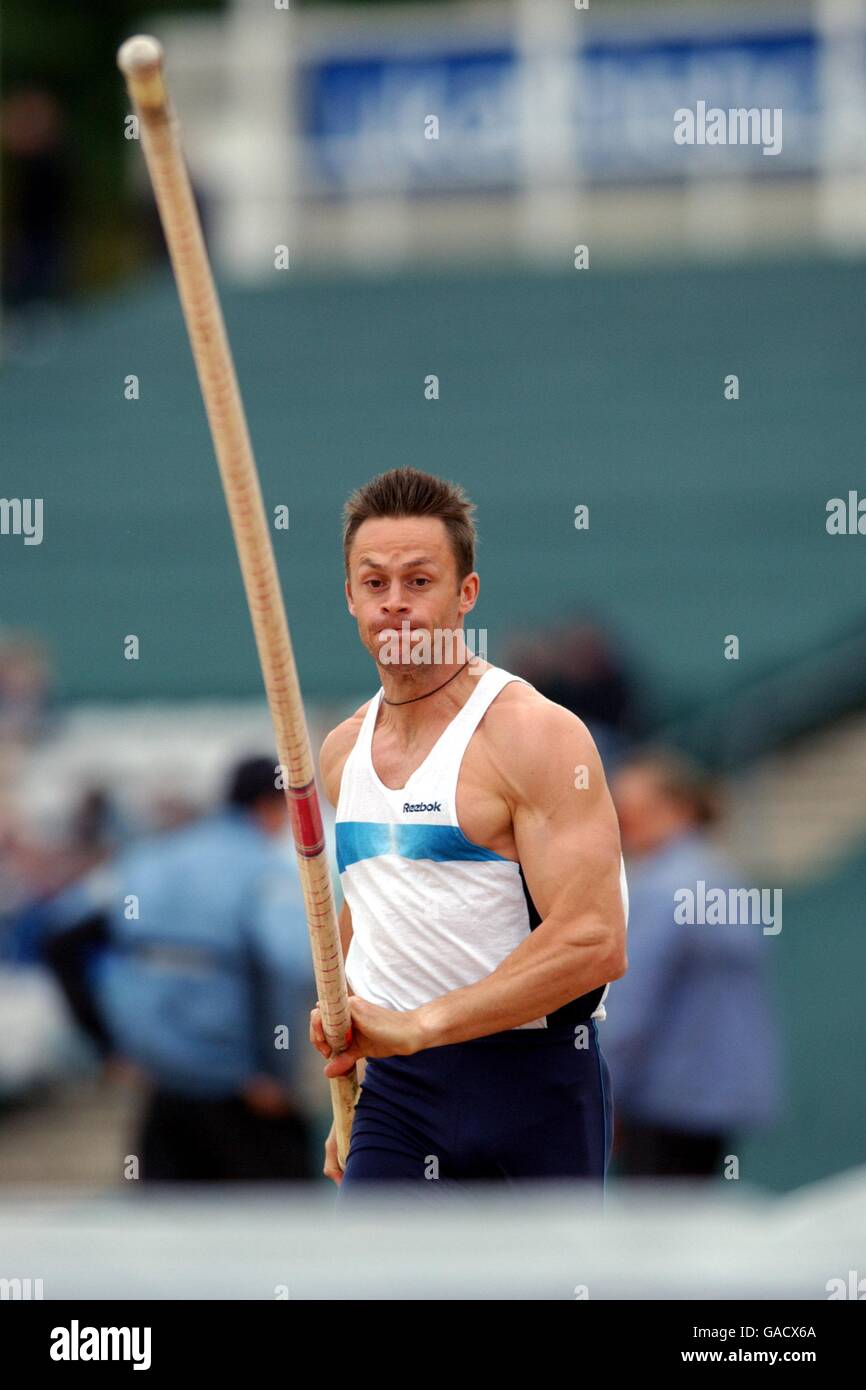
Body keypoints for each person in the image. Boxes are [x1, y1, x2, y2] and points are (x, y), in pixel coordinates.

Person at [309, 467, 629, 1197]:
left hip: (532, 1087)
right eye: (376, 583)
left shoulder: (531, 734)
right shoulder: (342, 752)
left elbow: (594, 940)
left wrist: (425, 1023)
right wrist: (350, 1076)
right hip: (396, 1096)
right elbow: (376, 903)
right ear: (350, 597)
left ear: (465, 595)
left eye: (419, 582)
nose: (395, 606)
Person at [42, 756, 317, 1182]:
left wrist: (105, 1044)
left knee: (164, 1218)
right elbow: (281, 970)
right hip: (235, 1076)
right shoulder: (263, 870)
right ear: (272, 806)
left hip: (156, 1070)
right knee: (279, 1216)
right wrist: (275, 1072)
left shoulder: (151, 858)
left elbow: (62, 941)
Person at [604, 750, 783, 1179]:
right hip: (717, 1097)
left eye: (634, 812)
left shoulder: (660, 886)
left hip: (665, 1098)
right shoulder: (723, 875)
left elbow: (630, 1006)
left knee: (657, 1238)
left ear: (679, 809)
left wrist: (604, 1091)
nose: (624, 824)